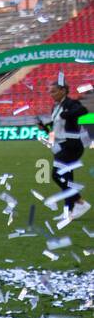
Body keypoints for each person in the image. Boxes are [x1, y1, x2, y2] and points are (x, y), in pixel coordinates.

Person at [42, 77, 90, 223]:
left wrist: (66, 114)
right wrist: (45, 126)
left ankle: (81, 202)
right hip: (61, 145)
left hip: (72, 145)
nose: (51, 94)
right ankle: (68, 212)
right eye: (50, 92)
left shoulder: (70, 103)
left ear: (63, 90)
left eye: (54, 91)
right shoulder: (55, 107)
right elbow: (56, 127)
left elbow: (83, 110)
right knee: (67, 179)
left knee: (57, 175)